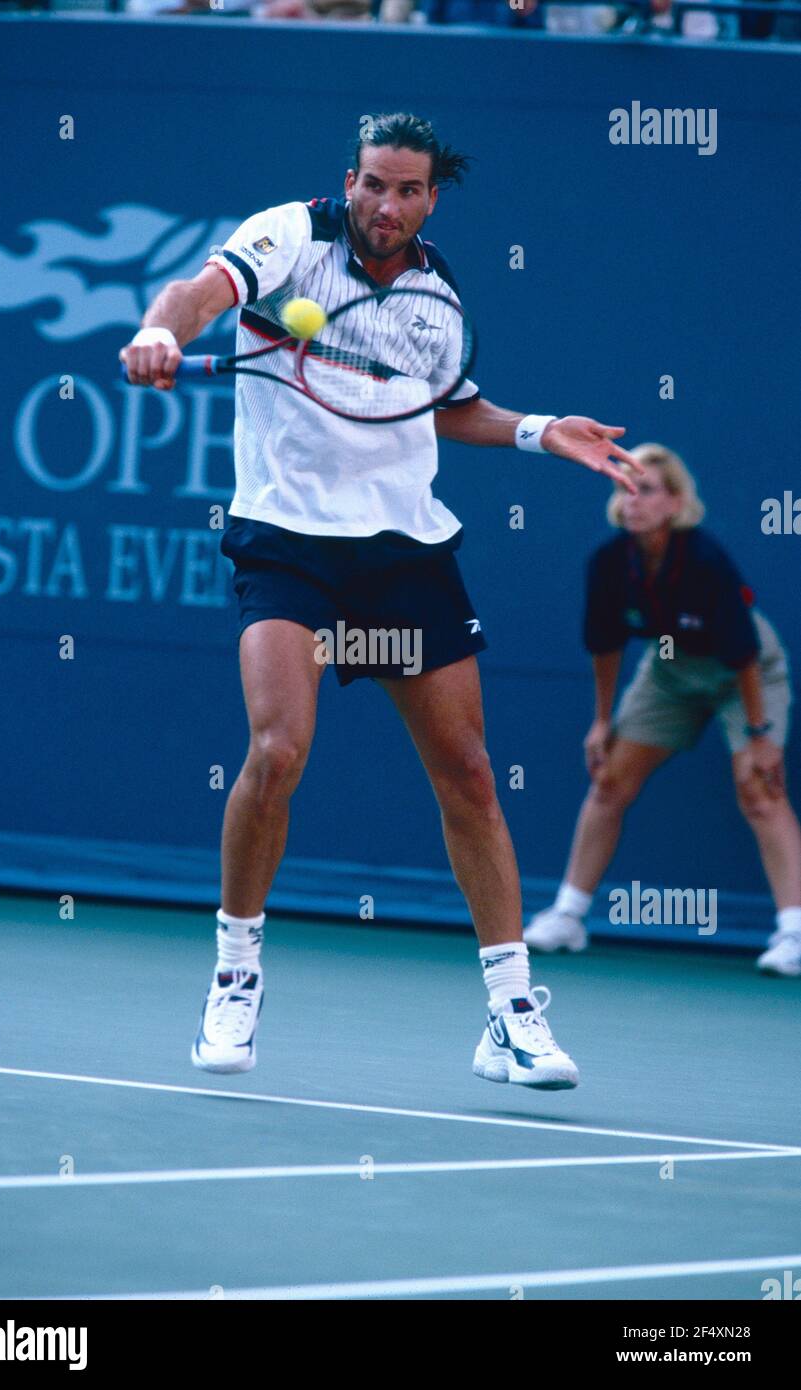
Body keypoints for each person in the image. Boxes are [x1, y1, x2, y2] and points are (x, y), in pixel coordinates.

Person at [119, 112, 644, 1091]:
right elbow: (199, 292)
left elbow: (445, 407)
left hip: (403, 549)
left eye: (407, 191)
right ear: (348, 179)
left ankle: (510, 1010)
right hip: (288, 543)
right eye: (372, 184)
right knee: (278, 752)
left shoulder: (436, 287)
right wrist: (158, 329)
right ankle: (235, 977)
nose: (386, 205)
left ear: (430, 197)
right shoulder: (287, 236)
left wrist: (539, 430)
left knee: (470, 773)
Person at [525, 442, 801, 977]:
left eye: (646, 490)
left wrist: (760, 734)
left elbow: (743, 653)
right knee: (609, 781)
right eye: (624, 488)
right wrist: (602, 721)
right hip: (669, 673)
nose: (633, 500)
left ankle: (794, 931)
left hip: (744, 673)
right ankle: (568, 917)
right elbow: (605, 645)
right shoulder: (608, 563)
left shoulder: (705, 560)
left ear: (675, 503)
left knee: (760, 788)